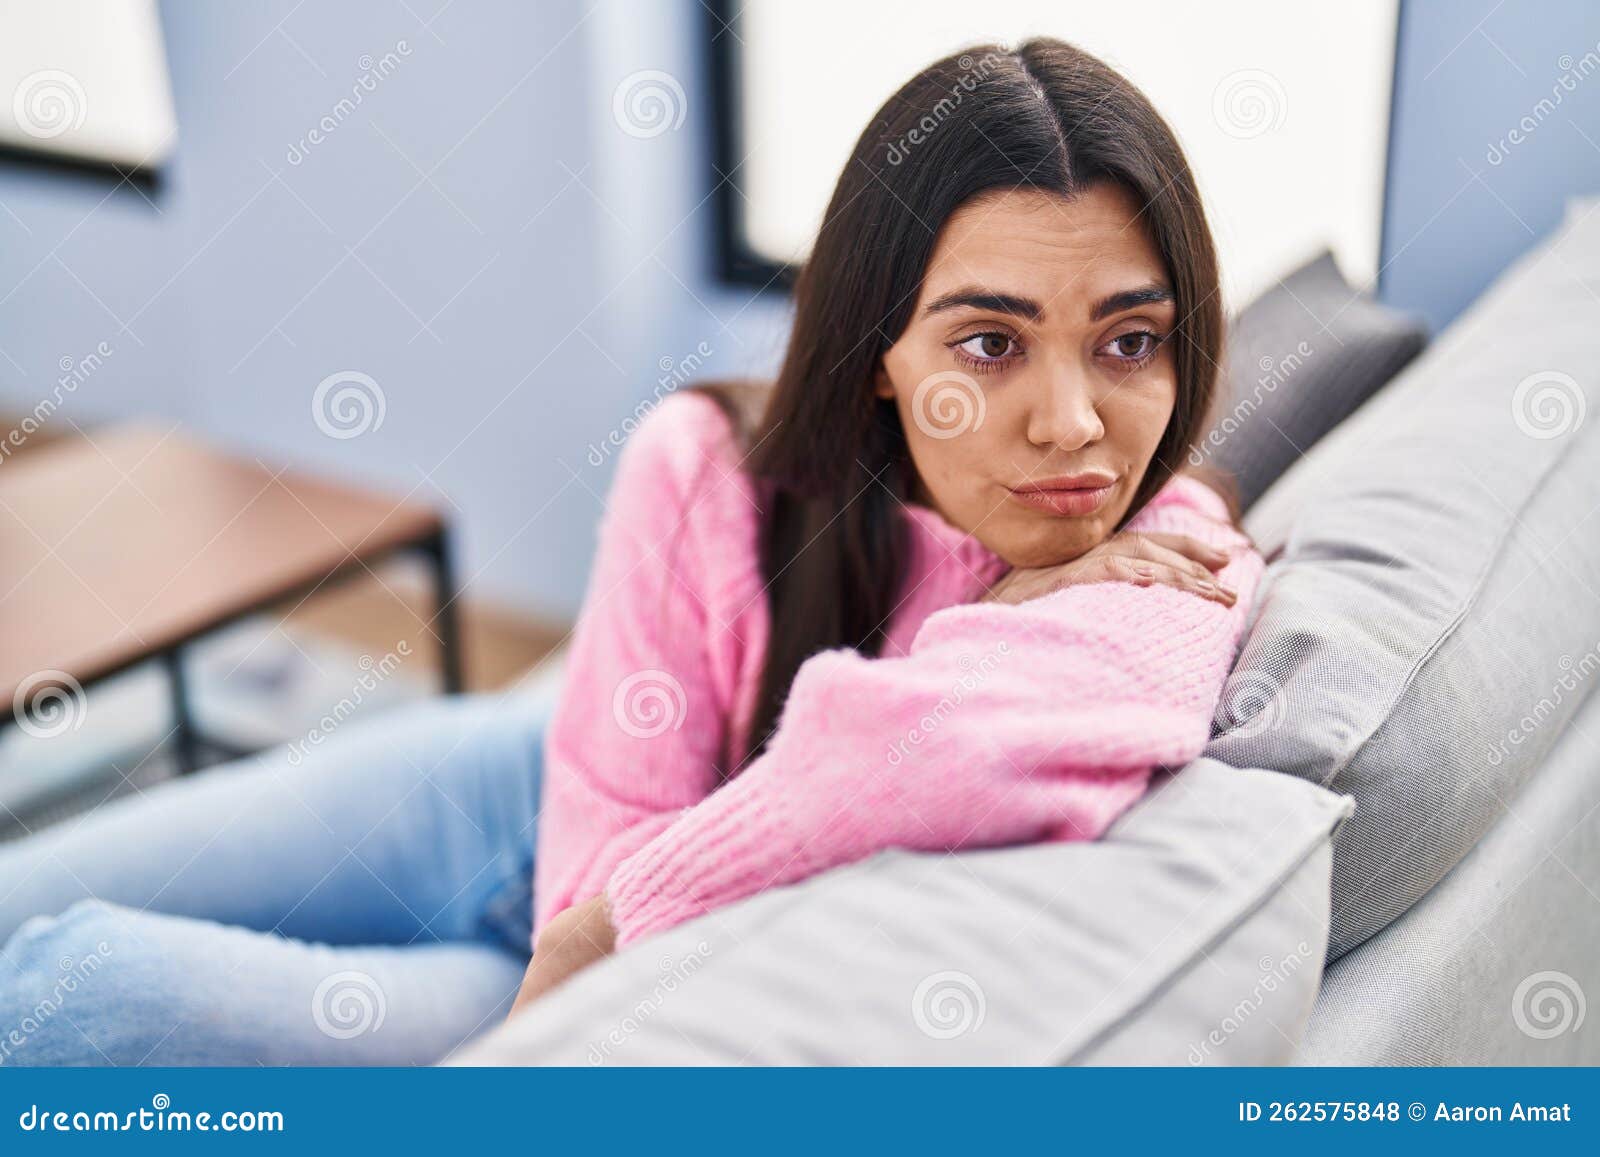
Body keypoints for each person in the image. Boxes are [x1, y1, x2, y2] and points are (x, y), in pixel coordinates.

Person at [0, 36, 1259, 1066]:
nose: (1073, 423)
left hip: (602, 959)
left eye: (1128, 340)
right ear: (881, 351)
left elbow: (908, 757)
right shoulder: (711, 459)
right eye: (989, 342)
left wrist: (607, 929)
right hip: (520, 799)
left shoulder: (1169, 555)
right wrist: (602, 914)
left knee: (76, 985)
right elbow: (595, 871)